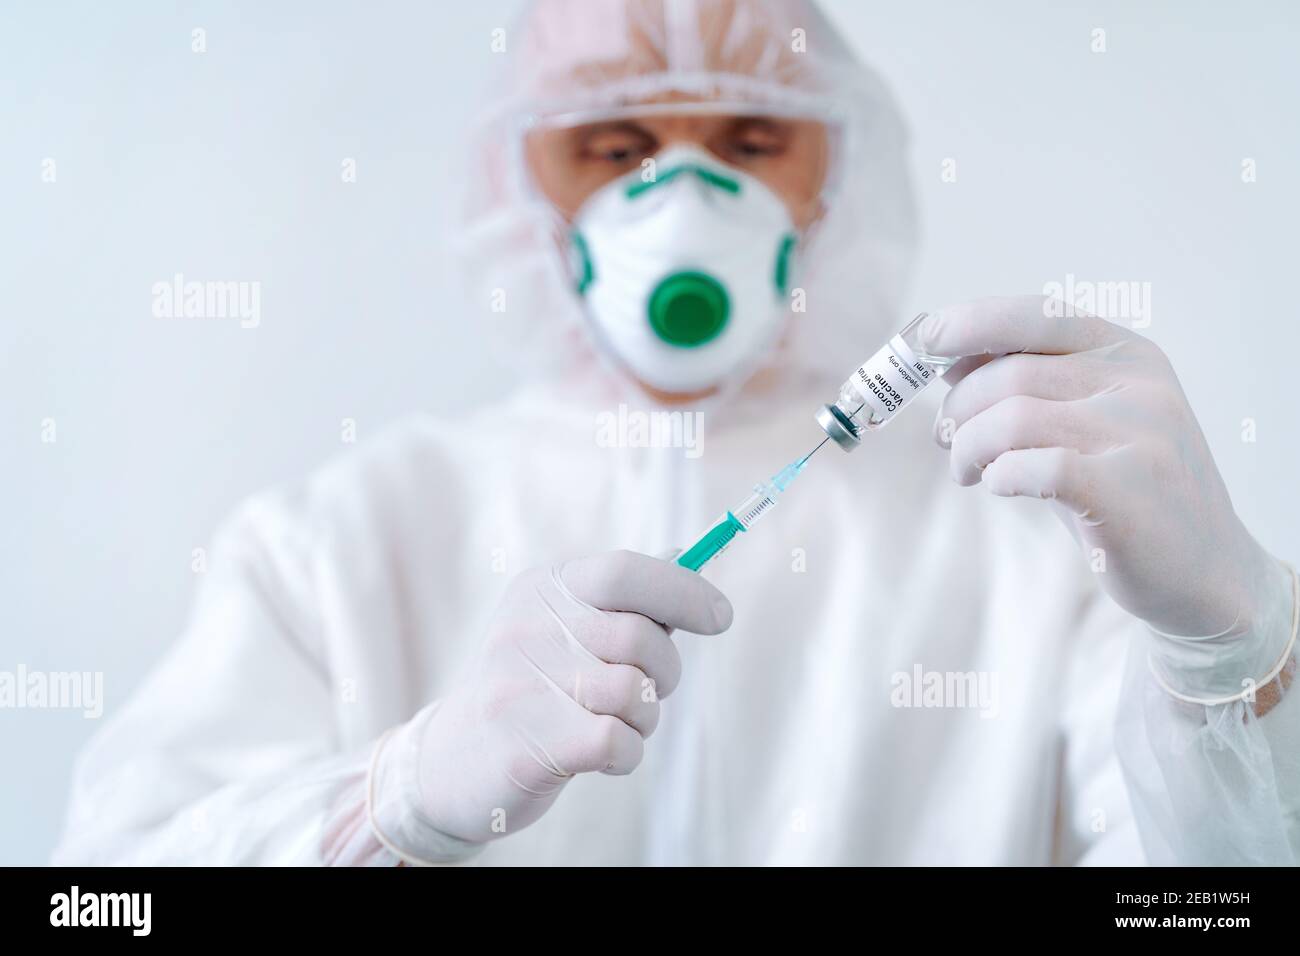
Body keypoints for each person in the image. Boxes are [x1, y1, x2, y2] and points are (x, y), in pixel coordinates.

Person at [55, 0, 1298, 866]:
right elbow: (101, 893)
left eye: (752, 139)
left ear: (837, 174)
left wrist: (1228, 650)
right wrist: (398, 799)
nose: (687, 196)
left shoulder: (1025, 535)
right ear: (519, 185)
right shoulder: (345, 538)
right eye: (616, 143)